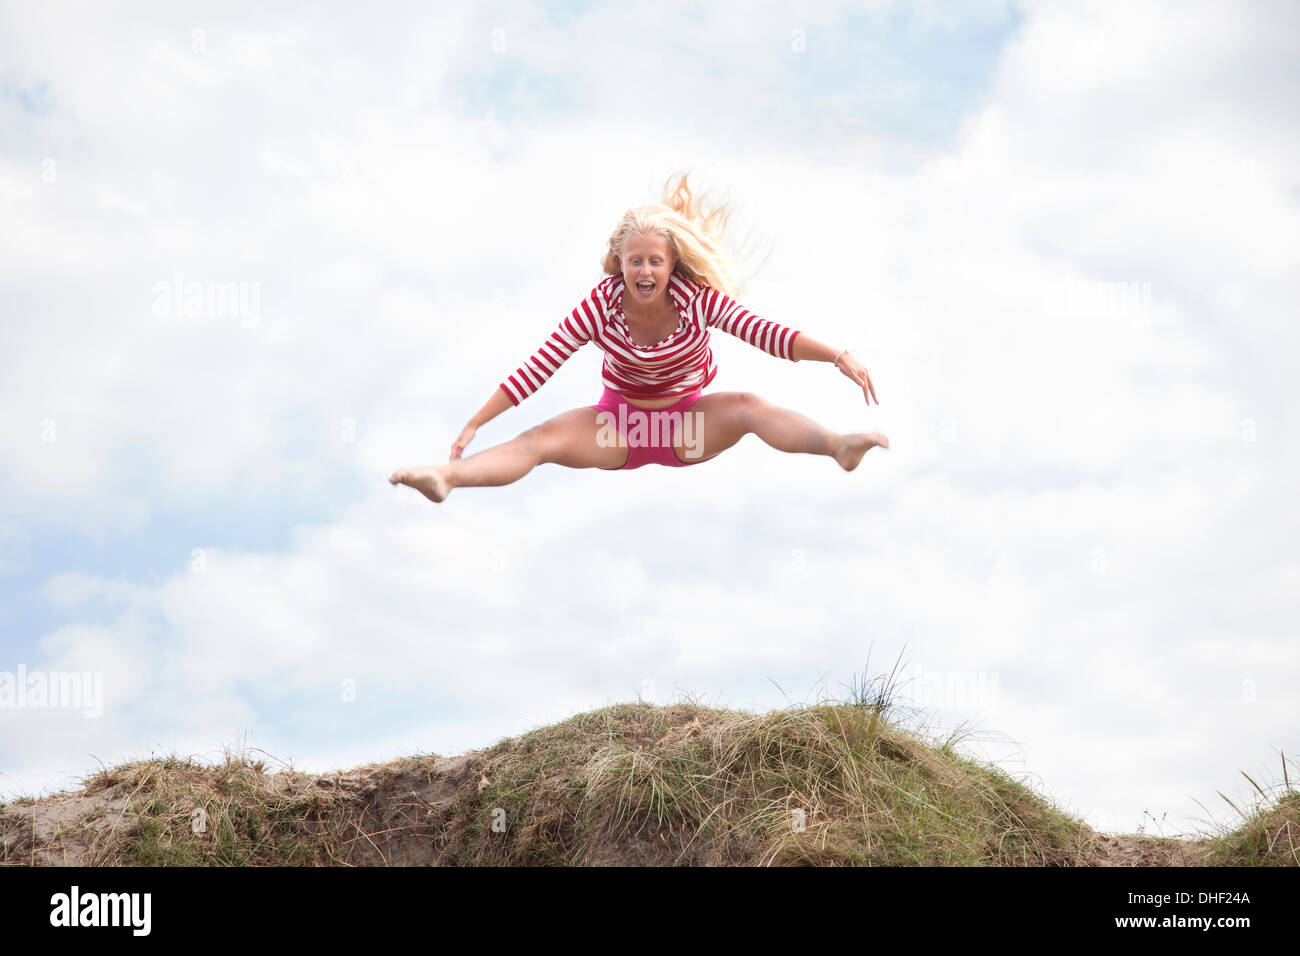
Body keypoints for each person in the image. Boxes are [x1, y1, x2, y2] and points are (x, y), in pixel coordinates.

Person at [390, 173, 888, 504]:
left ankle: (836, 445)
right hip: (616, 427)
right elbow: (539, 367)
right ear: (620, 264)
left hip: (686, 426)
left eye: (655, 261)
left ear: (671, 266)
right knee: (538, 439)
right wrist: (476, 422)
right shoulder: (601, 304)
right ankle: (446, 478)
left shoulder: (696, 300)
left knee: (747, 405)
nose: (645, 270)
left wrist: (836, 355)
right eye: (635, 261)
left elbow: (765, 334)